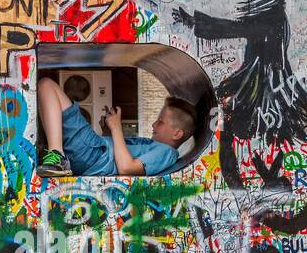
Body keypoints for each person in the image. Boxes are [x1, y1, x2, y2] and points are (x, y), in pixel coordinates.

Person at [37, 75, 194, 178]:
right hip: (94, 153)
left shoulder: (167, 152)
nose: (154, 124)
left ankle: (57, 157)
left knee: (46, 85)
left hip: (94, 154)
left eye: (160, 121)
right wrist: (108, 131)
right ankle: (56, 154)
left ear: (177, 134)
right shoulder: (156, 147)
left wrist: (116, 128)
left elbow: (126, 168)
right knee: (48, 97)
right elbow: (121, 155)